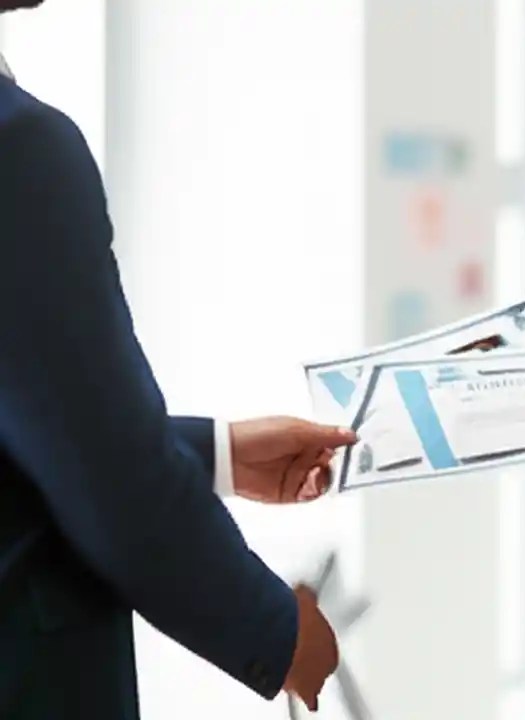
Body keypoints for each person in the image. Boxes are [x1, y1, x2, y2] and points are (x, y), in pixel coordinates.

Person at [0, 3, 351, 716]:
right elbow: (106, 473)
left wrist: (219, 453)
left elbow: (39, 419)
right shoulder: (18, 147)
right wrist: (278, 631)